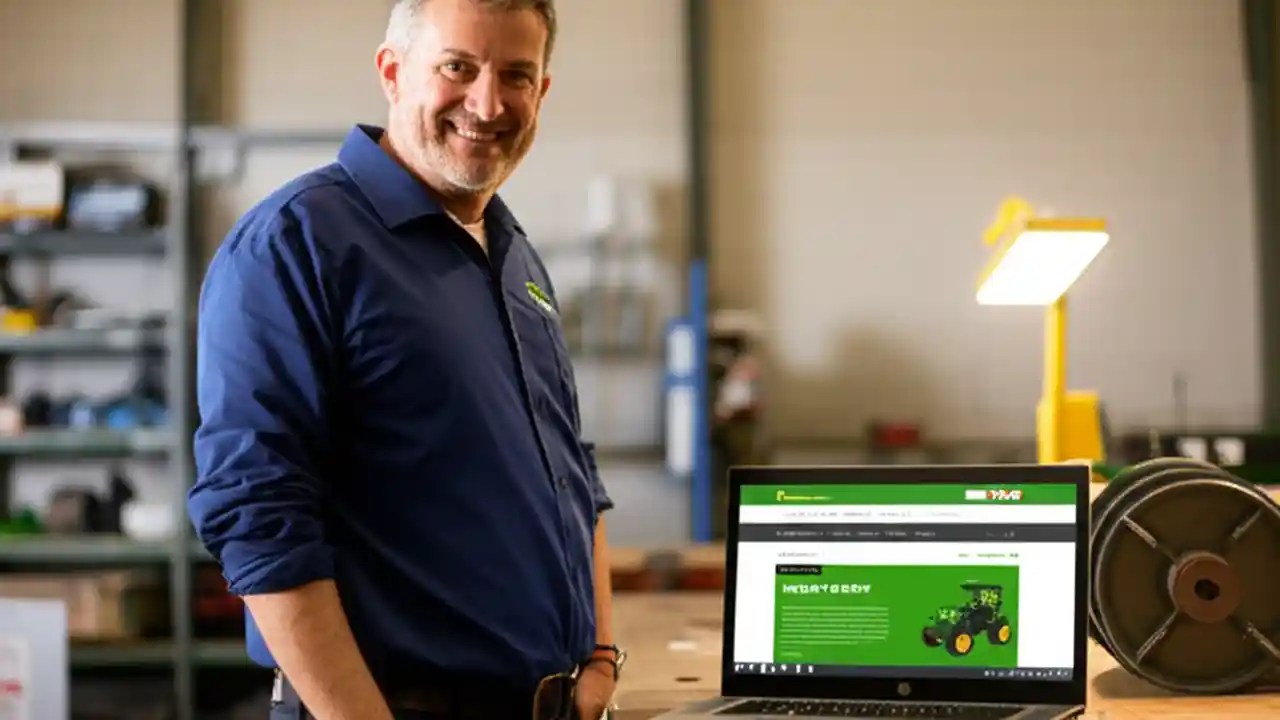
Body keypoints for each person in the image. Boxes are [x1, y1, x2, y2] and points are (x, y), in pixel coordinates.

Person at [186, 1, 624, 717]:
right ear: (392, 72)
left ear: (541, 92)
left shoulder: (515, 257)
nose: (487, 103)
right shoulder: (297, 245)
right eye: (458, 67)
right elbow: (258, 515)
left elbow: (573, 470)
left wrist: (599, 661)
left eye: (516, 75)